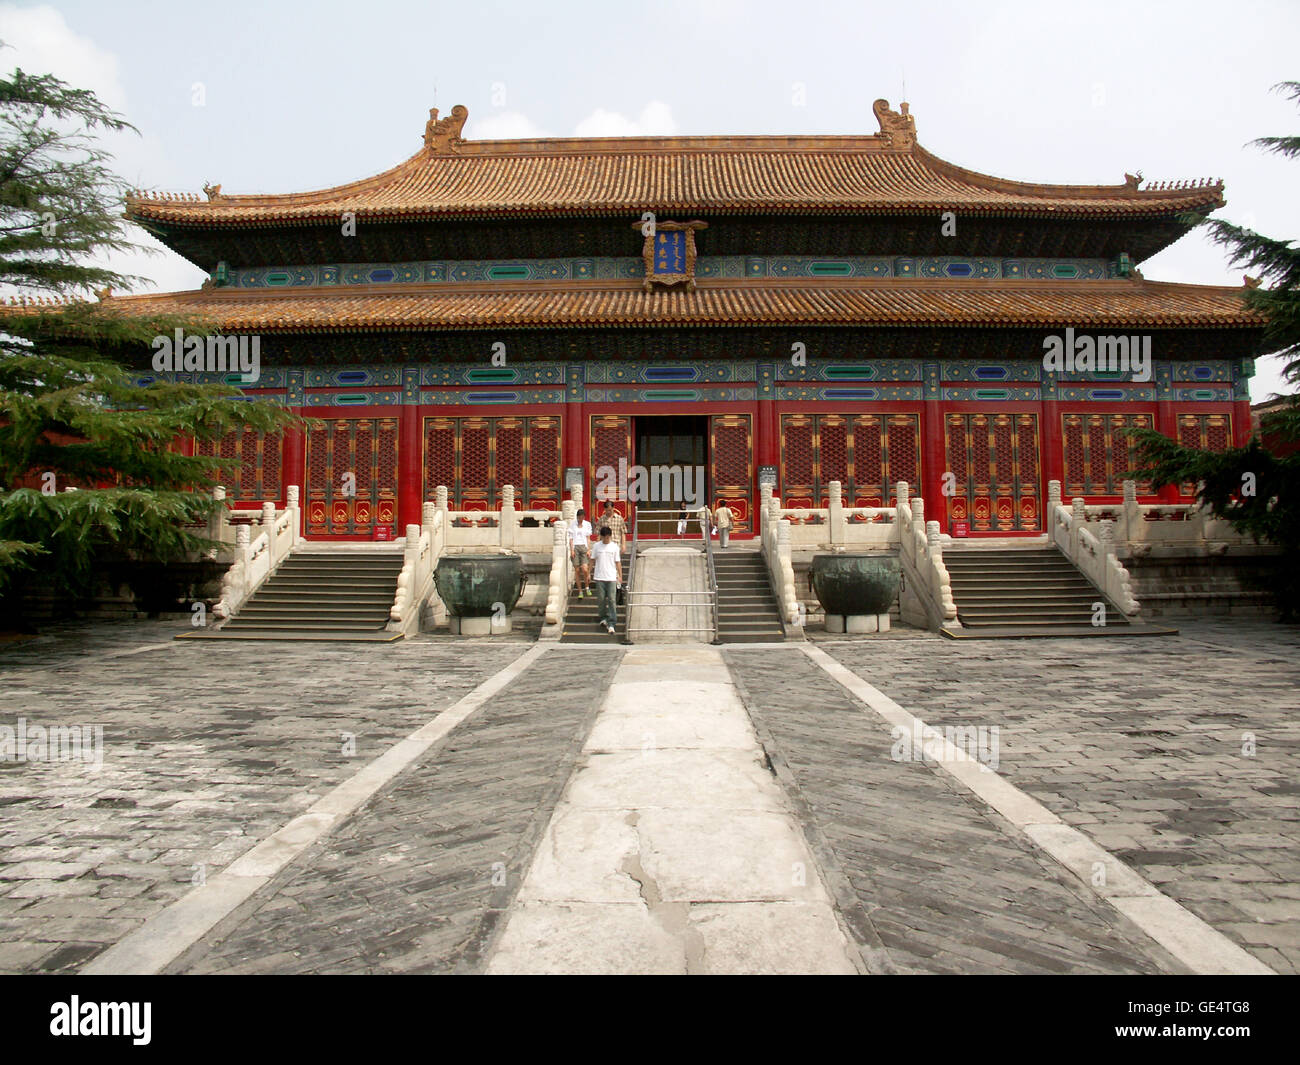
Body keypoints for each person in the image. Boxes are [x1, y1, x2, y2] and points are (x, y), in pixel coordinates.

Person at [591, 525, 624, 635]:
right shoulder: (596, 546)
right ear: (601, 536)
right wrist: (588, 573)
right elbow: (592, 560)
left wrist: (620, 575)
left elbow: (617, 562)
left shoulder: (614, 547)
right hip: (599, 576)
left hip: (611, 577)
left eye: (607, 537)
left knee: (612, 600)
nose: (606, 539)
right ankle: (603, 617)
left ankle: (612, 622)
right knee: (601, 600)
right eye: (604, 537)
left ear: (610, 536)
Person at [568, 507, 594, 598]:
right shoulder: (573, 524)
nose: (581, 519)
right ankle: (580, 591)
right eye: (579, 517)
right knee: (577, 570)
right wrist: (571, 550)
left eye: (582, 517)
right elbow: (571, 538)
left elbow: (588, 538)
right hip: (575, 546)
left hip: (584, 546)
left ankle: (587, 587)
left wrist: (588, 549)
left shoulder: (587, 524)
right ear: (577, 517)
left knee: (585, 569)